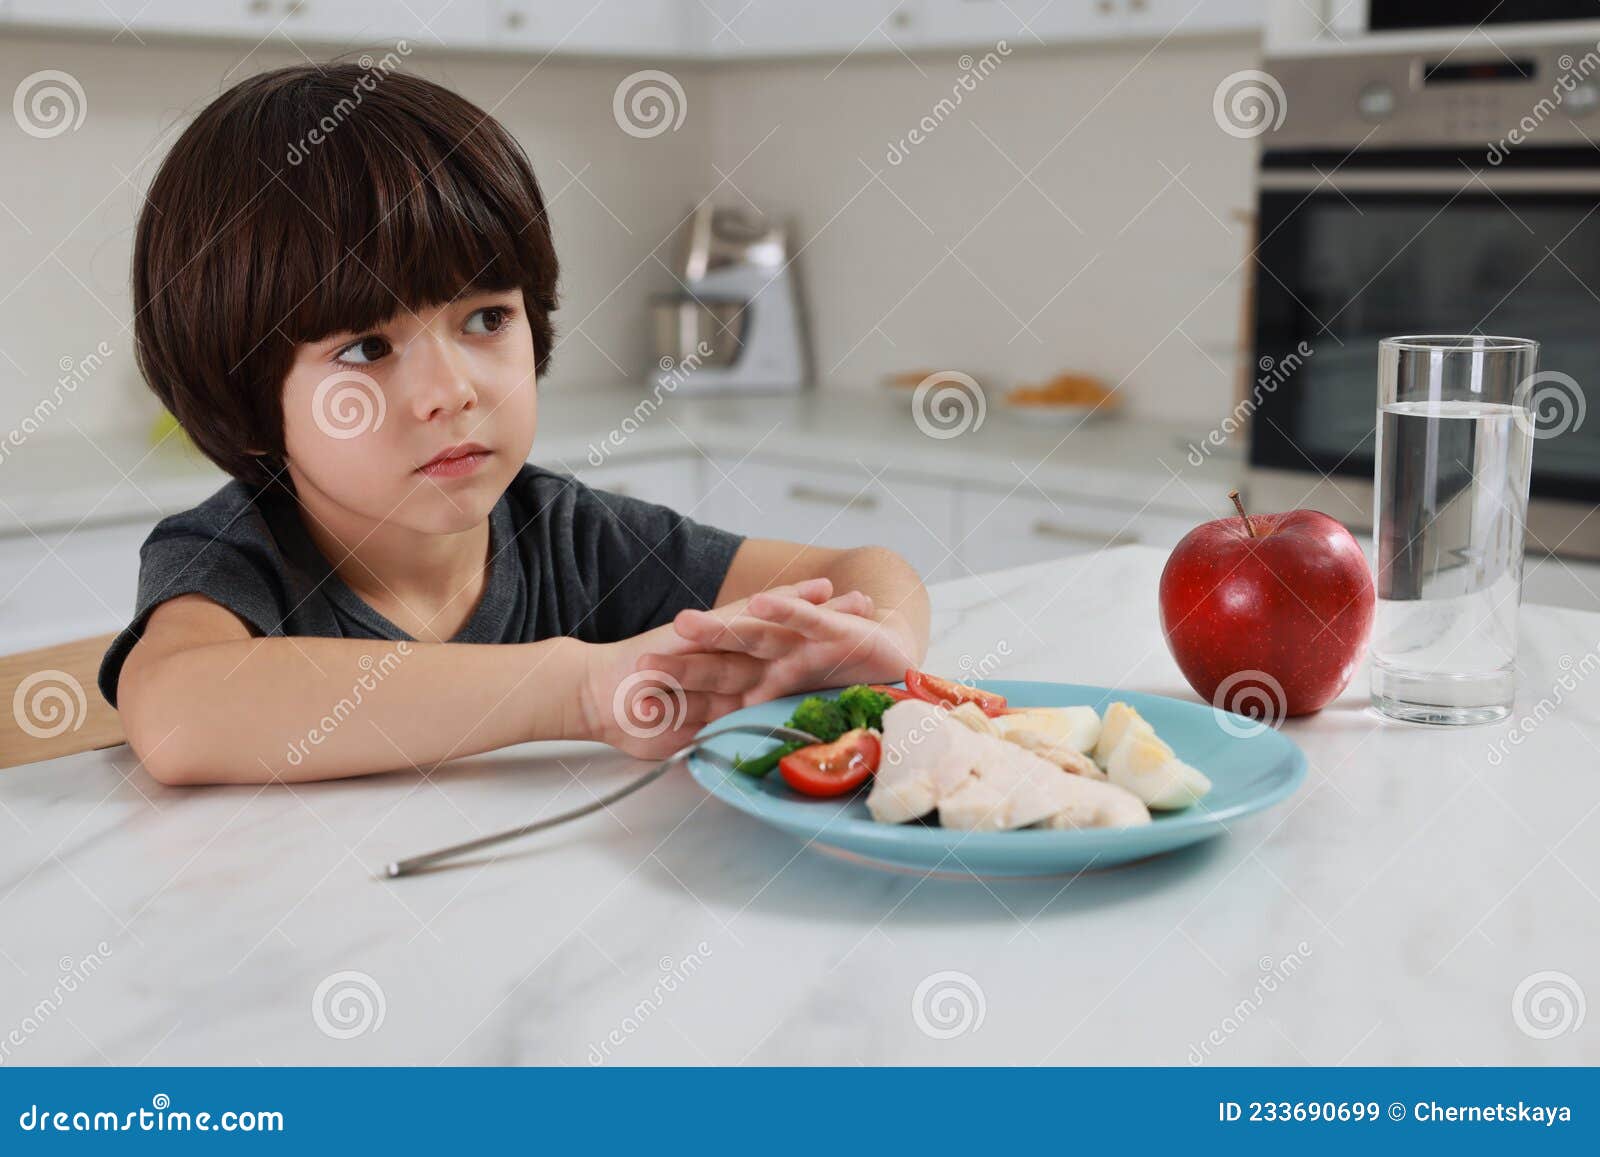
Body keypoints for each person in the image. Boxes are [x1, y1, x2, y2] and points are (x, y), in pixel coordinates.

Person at [97, 64, 928, 786]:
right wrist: (579, 690)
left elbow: (865, 565)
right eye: (366, 347)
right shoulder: (233, 556)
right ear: (239, 393)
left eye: (487, 319)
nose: (449, 391)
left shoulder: (569, 535)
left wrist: (878, 638)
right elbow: (177, 712)